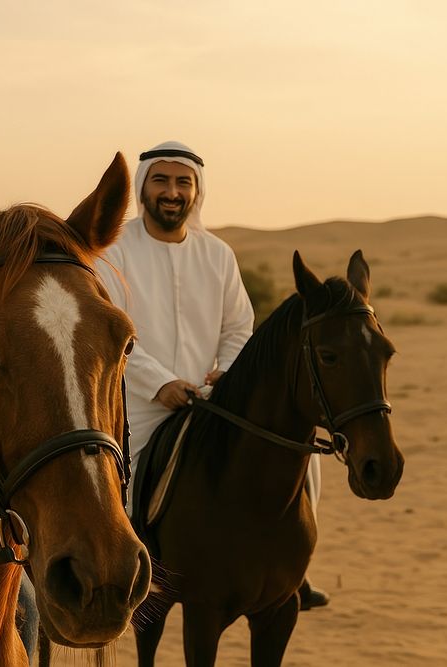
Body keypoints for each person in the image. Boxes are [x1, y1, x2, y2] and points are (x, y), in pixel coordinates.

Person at [97, 140, 329, 609]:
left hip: (216, 398)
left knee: (301, 456)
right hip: (140, 401)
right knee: (121, 476)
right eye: (161, 180)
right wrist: (161, 383)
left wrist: (226, 374)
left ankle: (290, 573)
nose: (172, 191)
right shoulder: (115, 251)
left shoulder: (217, 254)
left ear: (196, 191)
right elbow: (112, 330)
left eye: (183, 182)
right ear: (143, 187)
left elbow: (239, 326)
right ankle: (127, 573)